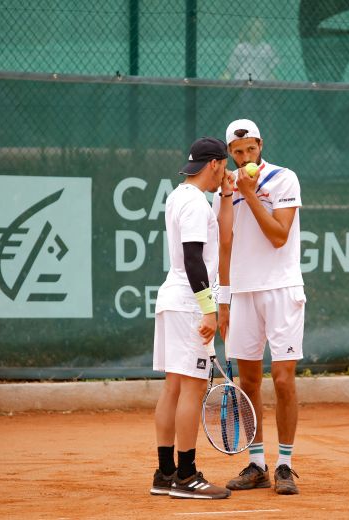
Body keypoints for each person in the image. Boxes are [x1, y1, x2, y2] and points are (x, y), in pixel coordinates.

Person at [214, 119, 305, 495]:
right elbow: (224, 243)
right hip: (243, 294)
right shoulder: (225, 188)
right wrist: (222, 301)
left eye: (250, 149)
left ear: (260, 145)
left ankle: (284, 465)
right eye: (237, 152)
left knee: (283, 379)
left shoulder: (284, 179)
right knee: (248, 383)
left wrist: (250, 194)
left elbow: (280, 236)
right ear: (229, 154)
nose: (245, 156)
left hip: (282, 290)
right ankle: (256, 464)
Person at [151, 137, 233, 499]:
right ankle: (186, 476)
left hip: (173, 298)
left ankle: (165, 472)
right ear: (214, 163)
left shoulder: (180, 196)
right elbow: (194, 259)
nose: (226, 172)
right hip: (189, 303)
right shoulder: (195, 205)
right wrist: (209, 309)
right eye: (224, 165)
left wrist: (224, 196)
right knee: (192, 388)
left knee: (173, 387)